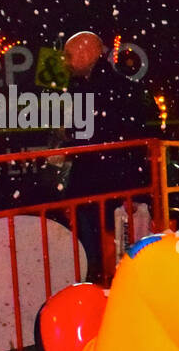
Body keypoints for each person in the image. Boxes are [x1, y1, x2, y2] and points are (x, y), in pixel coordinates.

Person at [62, 31, 156, 275]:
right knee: (120, 254)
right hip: (117, 184)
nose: (66, 62)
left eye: (69, 55)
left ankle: (96, 287)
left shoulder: (84, 89)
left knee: (93, 254)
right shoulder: (124, 87)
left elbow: (80, 134)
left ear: (86, 53)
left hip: (95, 185)